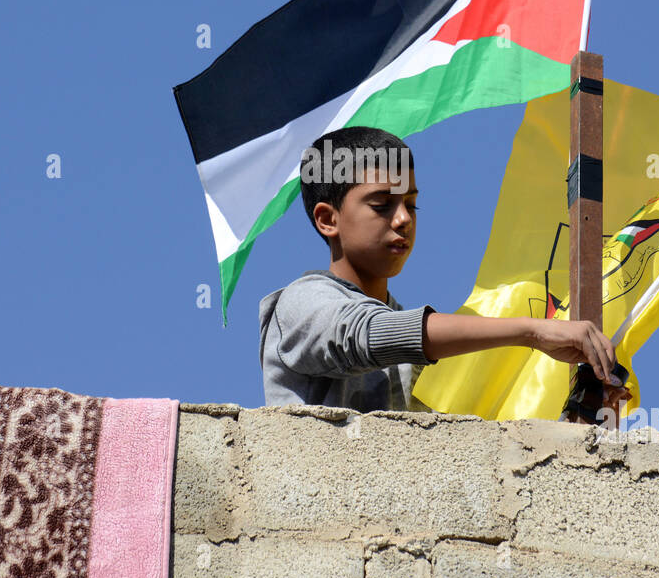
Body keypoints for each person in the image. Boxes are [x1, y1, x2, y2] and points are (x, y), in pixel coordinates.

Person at [258, 126, 628, 419]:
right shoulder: (302, 302)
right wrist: (532, 330)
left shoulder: (414, 355)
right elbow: (365, 334)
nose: (403, 220)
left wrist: (586, 410)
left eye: (412, 205)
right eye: (382, 205)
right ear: (328, 218)